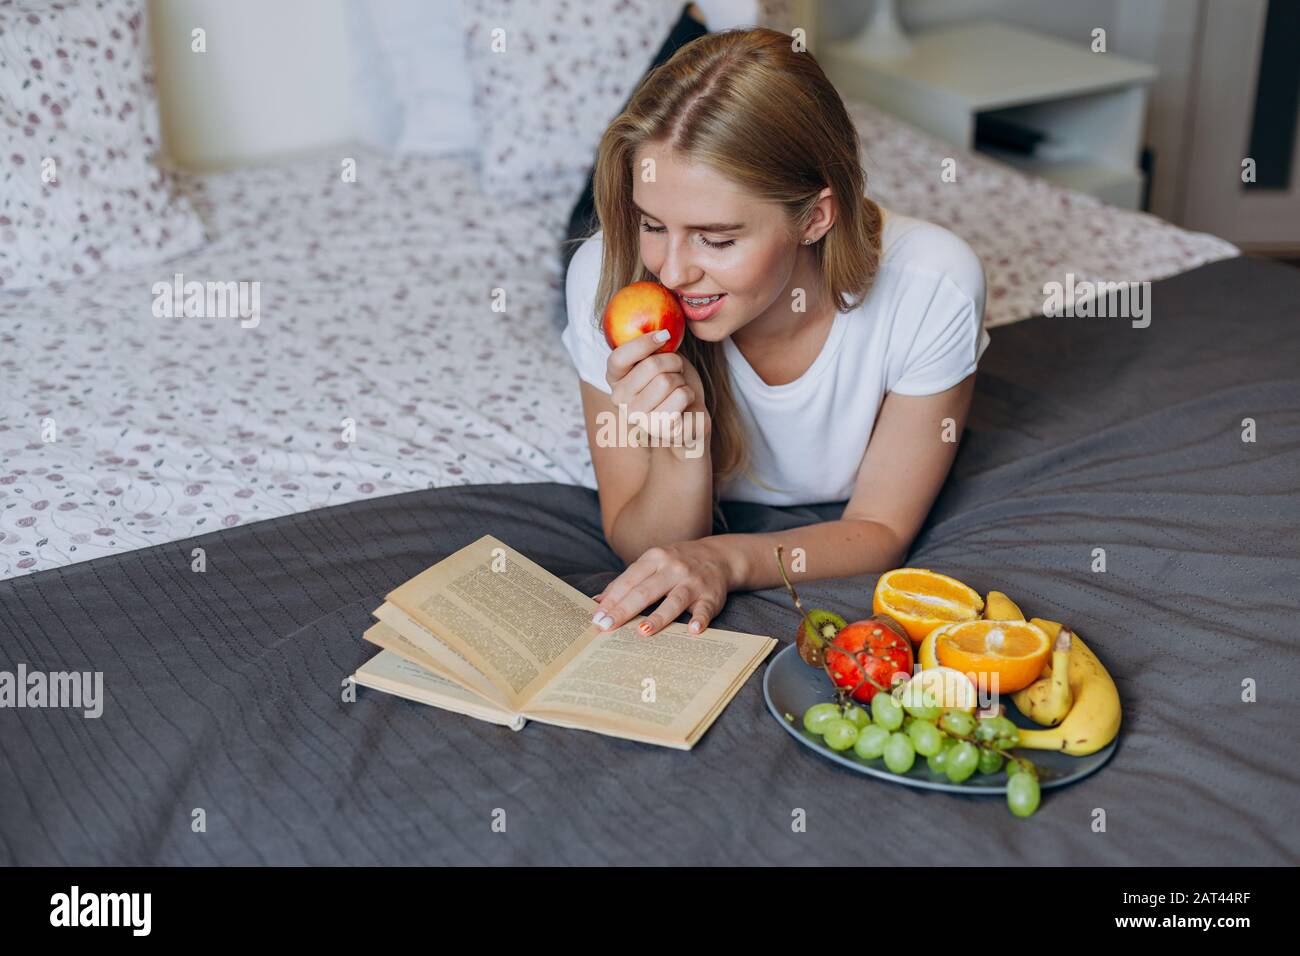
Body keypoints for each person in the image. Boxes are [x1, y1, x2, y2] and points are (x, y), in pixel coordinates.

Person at [559, 26, 989, 639]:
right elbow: (641, 541)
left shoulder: (934, 287)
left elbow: (880, 530)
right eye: (653, 223)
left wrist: (727, 559)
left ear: (815, 217)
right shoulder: (613, 277)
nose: (673, 272)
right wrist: (682, 447)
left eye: (718, 238)